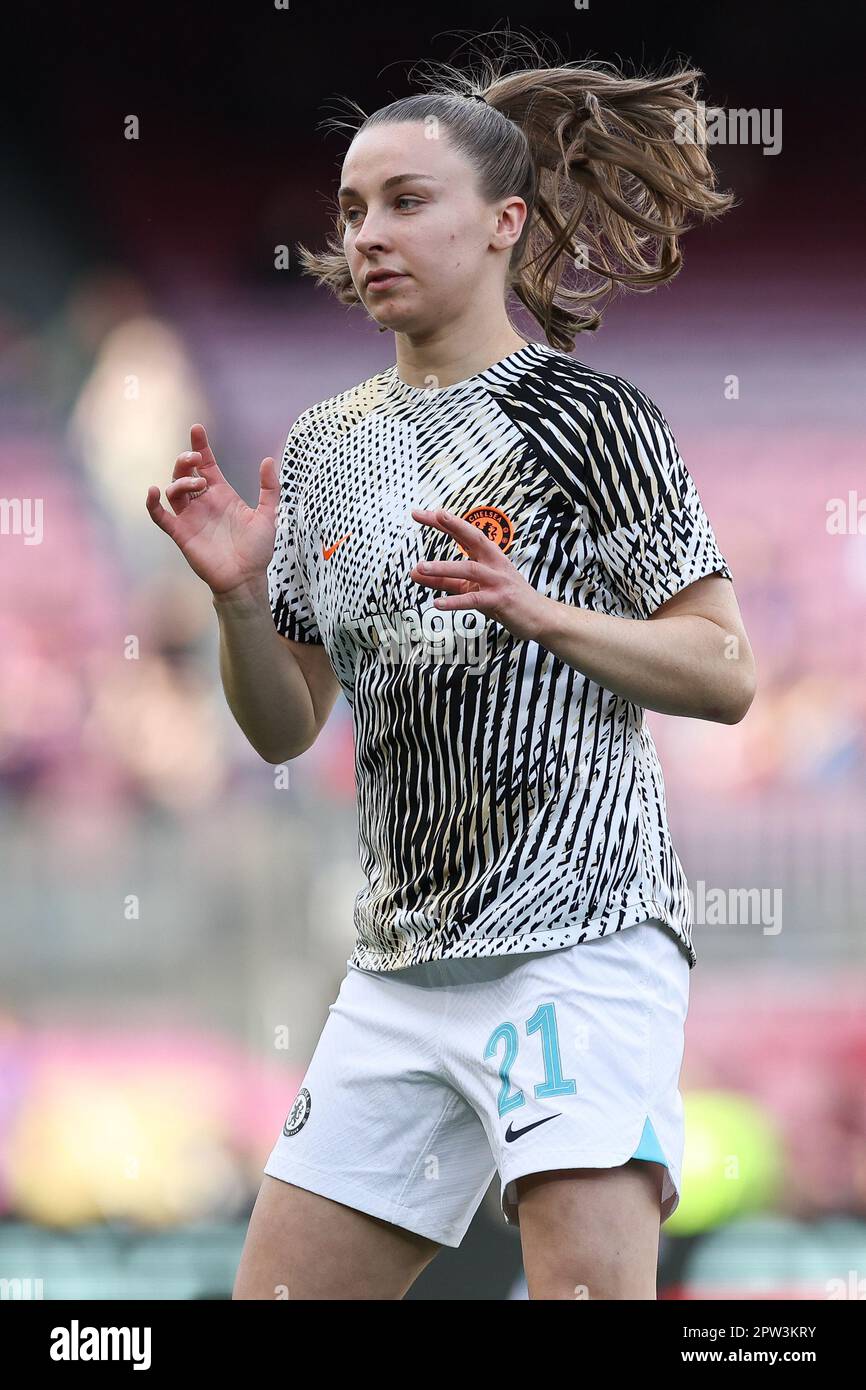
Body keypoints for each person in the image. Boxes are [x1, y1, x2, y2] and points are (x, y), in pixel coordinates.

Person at [146, 45, 757, 1300]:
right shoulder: (323, 447)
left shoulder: (589, 422)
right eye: (351, 210)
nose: (367, 233)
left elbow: (723, 670)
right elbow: (283, 727)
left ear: (502, 224)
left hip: (575, 944)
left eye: (405, 201)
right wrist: (239, 602)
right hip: (397, 966)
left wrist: (538, 612)